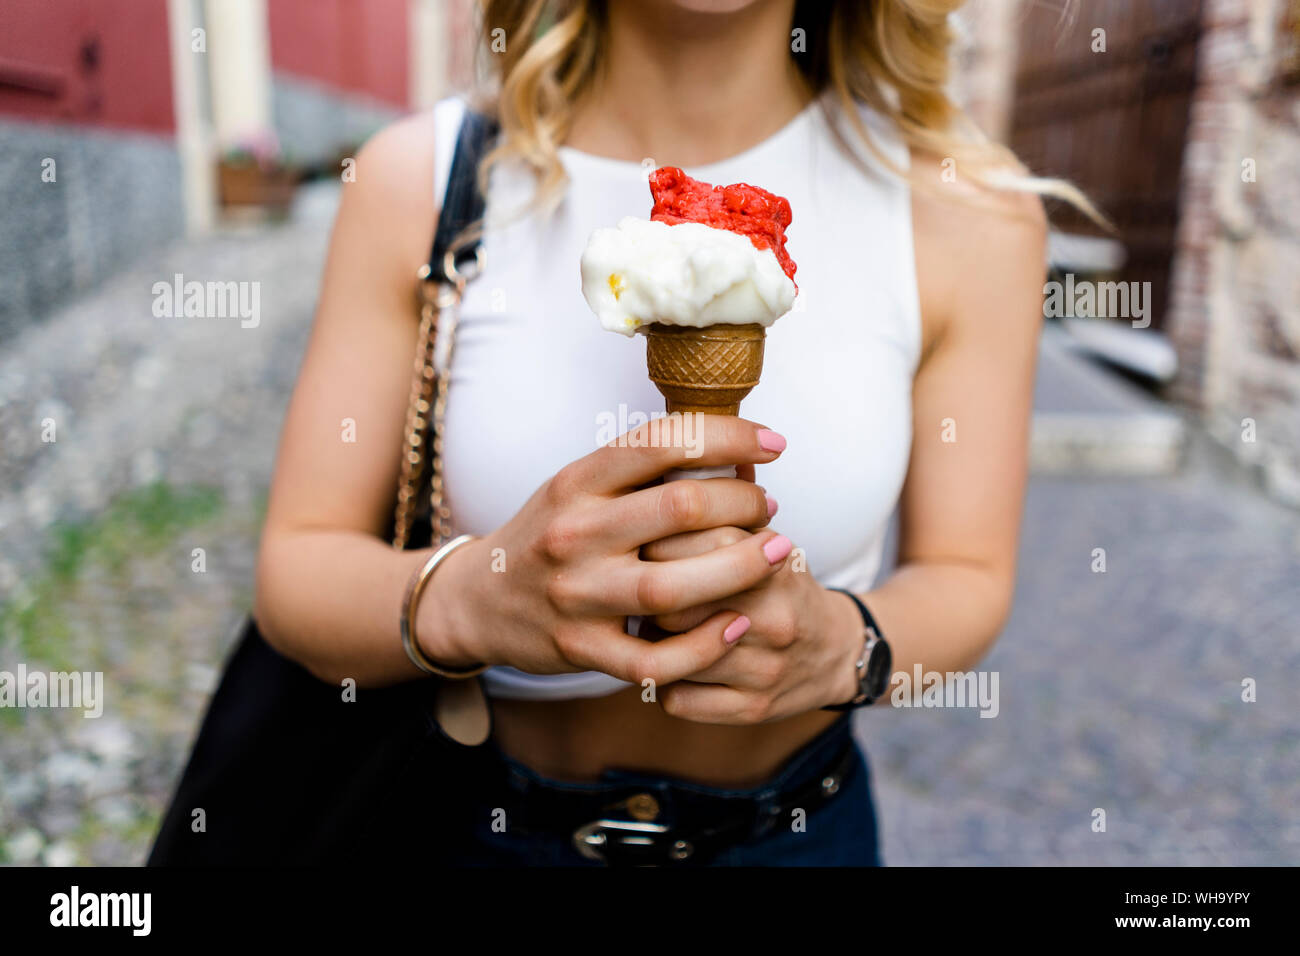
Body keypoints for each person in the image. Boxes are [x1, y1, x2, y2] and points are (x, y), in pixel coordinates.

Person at [251, 0, 1075, 866]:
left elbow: (967, 576)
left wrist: (846, 648)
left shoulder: (968, 212)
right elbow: (297, 570)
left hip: (794, 840)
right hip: (472, 830)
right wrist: (468, 599)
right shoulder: (422, 178)